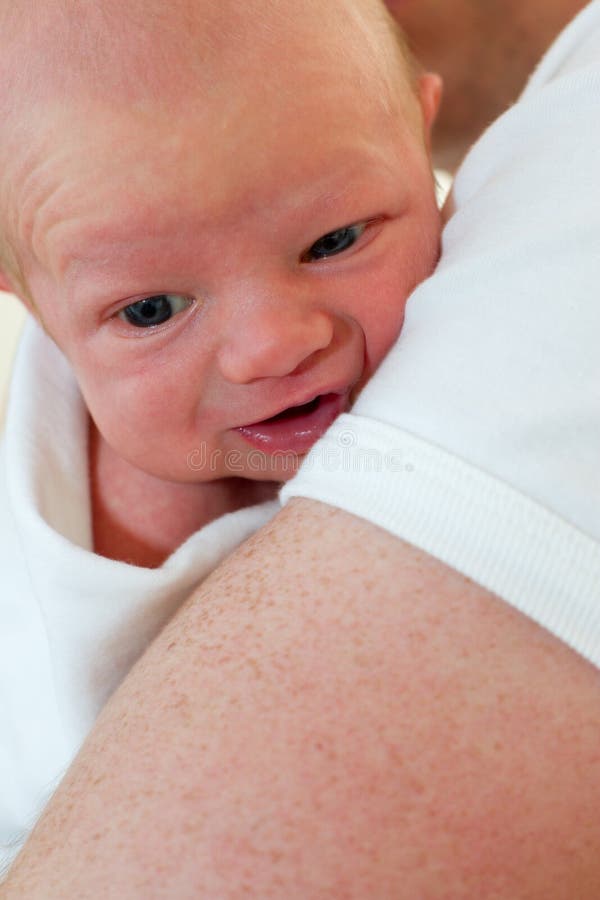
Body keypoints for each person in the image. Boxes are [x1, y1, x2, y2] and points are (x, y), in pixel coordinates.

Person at [4, 0, 600, 896]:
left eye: (333, 240)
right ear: (32, 302)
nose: (273, 345)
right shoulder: (89, 566)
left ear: (429, 143)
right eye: (152, 311)